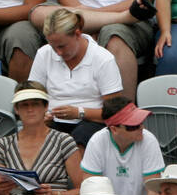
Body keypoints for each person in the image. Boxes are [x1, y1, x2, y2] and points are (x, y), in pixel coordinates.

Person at [29, 9, 125, 147]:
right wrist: (42, 115)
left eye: (62, 46)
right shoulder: (44, 53)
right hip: (53, 121)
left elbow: (114, 112)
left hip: (93, 123)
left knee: (78, 138)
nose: (58, 52)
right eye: (53, 47)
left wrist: (79, 112)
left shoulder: (103, 59)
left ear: (77, 34)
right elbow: (33, 96)